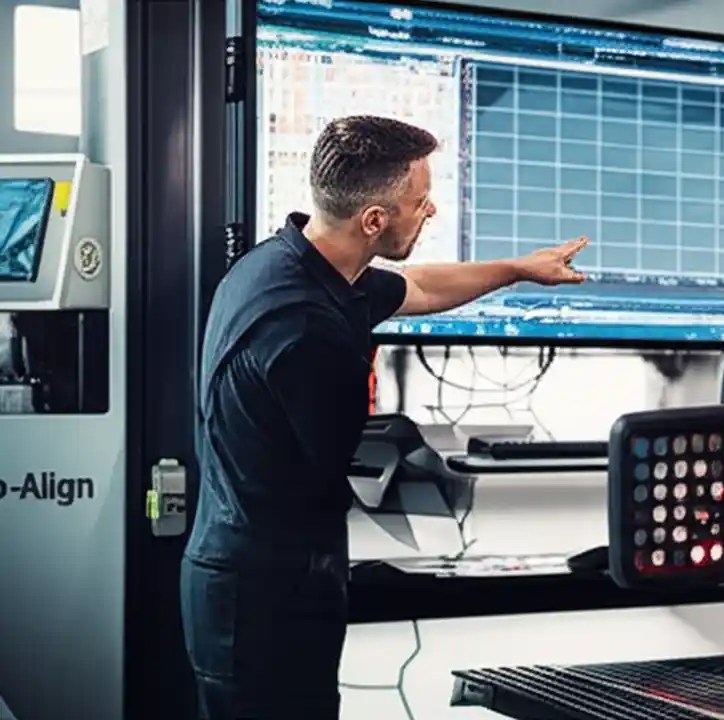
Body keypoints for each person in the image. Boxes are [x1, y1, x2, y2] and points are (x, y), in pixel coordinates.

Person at [180, 115, 588, 719]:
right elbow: (347, 468)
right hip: (267, 598)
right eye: (420, 202)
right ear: (374, 219)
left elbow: (416, 286)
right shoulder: (311, 331)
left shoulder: (284, 264)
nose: (432, 212)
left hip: (240, 574)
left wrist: (520, 268)